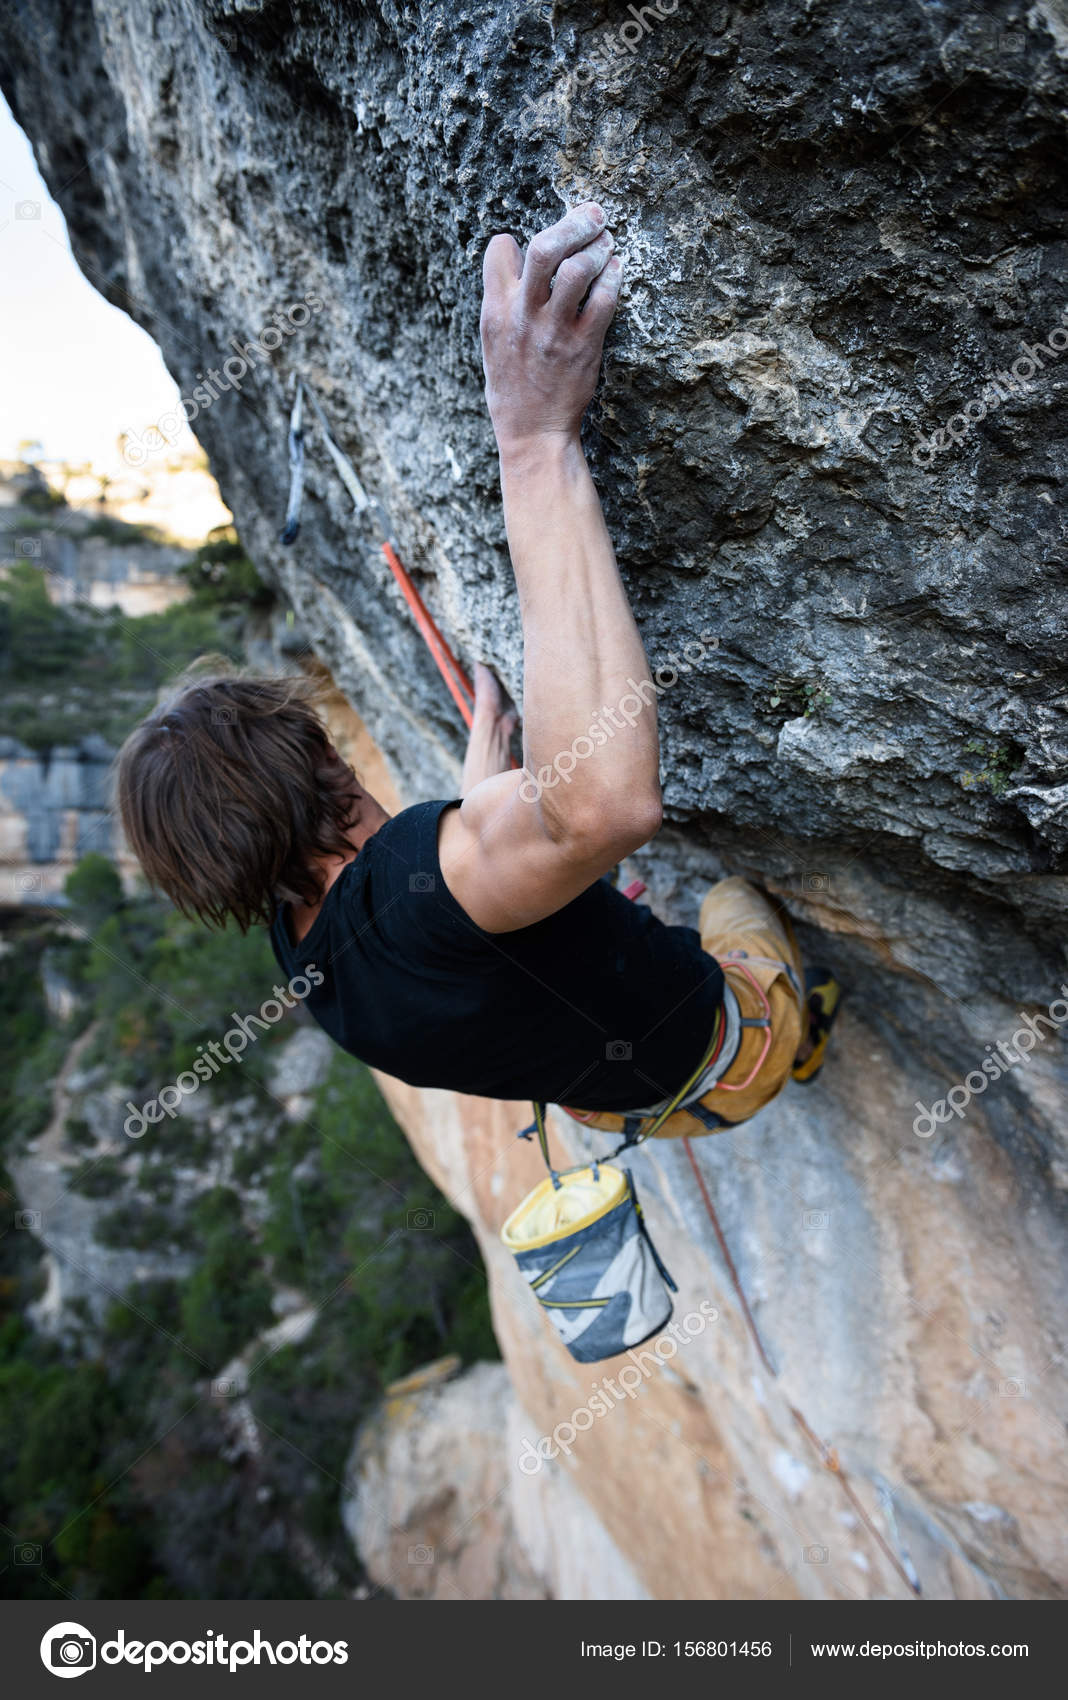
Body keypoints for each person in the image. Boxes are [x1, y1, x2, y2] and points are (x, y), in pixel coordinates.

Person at [117, 203, 837, 1136]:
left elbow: (441, 931)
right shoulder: (411, 885)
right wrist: (535, 441)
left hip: (629, 1110)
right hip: (733, 1051)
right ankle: (797, 1030)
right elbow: (605, 810)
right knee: (734, 896)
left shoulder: (307, 961)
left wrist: (482, 773)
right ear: (319, 753)